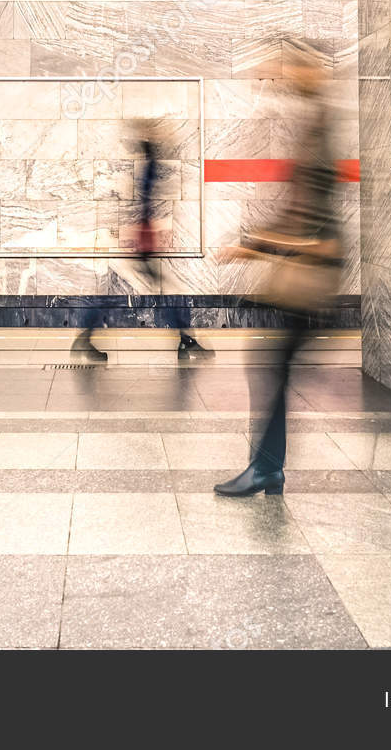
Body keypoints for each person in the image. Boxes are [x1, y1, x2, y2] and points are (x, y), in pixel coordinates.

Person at [215, 39, 342, 497]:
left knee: (270, 366)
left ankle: (267, 467)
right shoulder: (315, 127)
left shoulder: (320, 133)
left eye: (294, 71)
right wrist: (257, 245)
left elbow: (318, 229)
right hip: (308, 278)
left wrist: (258, 244)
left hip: (312, 282)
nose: (283, 80)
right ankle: (267, 467)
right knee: (272, 367)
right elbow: (299, 212)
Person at [71, 119, 215, 371]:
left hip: (143, 240)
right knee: (152, 293)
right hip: (143, 242)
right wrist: (150, 141)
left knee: (142, 293)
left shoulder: (147, 173)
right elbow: (150, 176)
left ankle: (185, 341)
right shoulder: (148, 172)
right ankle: (186, 341)